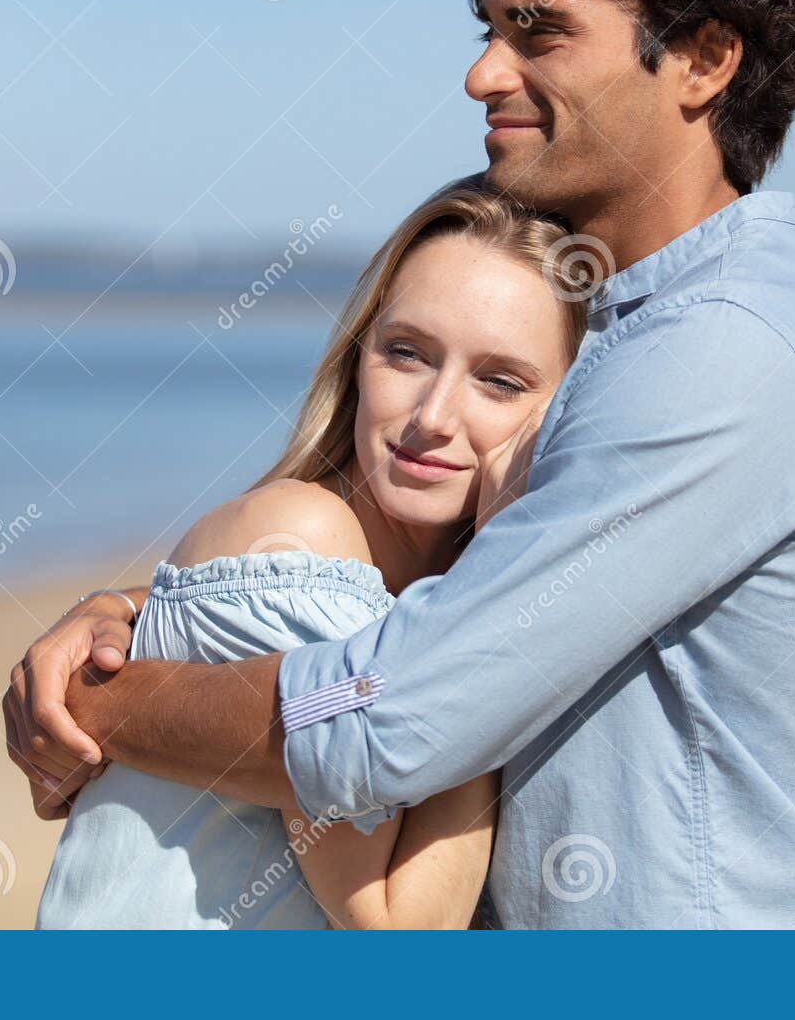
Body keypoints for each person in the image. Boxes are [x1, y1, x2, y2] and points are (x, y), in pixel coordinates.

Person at [5, 0, 795, 928]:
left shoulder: (719, 349)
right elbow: (471, 603)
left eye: (539, 33)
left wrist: (113, 695)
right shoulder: (629, 332)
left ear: (702, 61)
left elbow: (396, 710)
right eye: (489, 31)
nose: (481, 75)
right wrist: (159, 612)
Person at [33, 186, 586, 928]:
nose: (432, 416)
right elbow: (398, 933)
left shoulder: (398, 588)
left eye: (499, 381)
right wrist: (497, 586)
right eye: (407, 354)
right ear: (358, 362)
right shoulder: (302, 537)